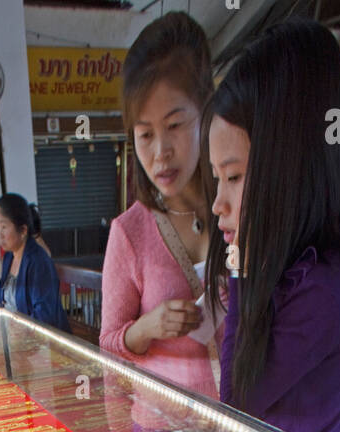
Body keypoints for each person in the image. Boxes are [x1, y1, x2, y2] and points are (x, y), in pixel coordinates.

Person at [206, 18, 340, 432]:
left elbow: (237, 399)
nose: (216, 204)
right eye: (216, 178)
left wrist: (239, 267)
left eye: (233, 176)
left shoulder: (333, 280)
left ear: (288, 165)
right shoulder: (302, 251)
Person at [99, 12, 218, 397]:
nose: (160, 153)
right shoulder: (129, 232)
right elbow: (108, 345)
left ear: (206, 113)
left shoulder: (240, 211)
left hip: (242, 426)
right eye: (145, 134)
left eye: (175, 125)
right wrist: (147, 327)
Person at [0, 194, 69, 331]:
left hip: (40, 341)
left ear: (23, 231)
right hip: (16, 335)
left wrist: (15, 330)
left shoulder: (39, 262)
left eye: (4, 227)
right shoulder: (9, 258)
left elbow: (44, 316)